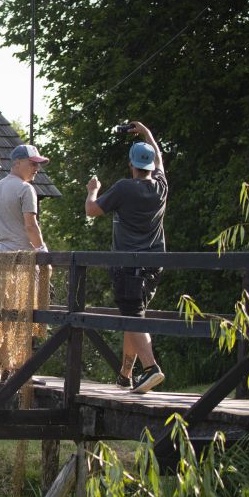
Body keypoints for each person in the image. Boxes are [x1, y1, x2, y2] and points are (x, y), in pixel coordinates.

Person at [86, 121, 168, 393]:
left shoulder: (124, 187)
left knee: (133, 317)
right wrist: (147, 133)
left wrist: (92, 190)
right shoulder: (160, 187)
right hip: (154, 264)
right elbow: (159, 157)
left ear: (131, 164)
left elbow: (92, 210)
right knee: (134, 313)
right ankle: (125, 374)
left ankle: (150, 368)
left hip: (127, 265)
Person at [0, 144, 50, 252]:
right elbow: (31, 226)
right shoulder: (26, 188)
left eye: (38, 165)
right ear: (18, 162)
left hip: (0, 255)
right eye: (33, 164)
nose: (37, 168)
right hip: (22, 256)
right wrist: (42, 251)